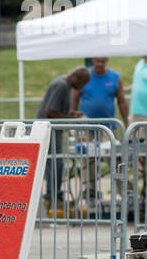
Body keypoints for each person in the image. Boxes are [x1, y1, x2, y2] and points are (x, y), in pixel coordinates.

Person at [35, 67, 90, 211]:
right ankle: (52, 197)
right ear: (77, 78)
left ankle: (54, 196)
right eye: (83, 83)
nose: (82, 87)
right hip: (49, 131)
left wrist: (70, 113)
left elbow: (57, 109)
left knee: (56, 163)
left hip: (54, 131)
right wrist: (70, 118)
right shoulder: (61, 85)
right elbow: (50, 110)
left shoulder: (64, 85)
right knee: (54, 164)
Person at [73, 57, 128, 126]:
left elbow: (122, 102)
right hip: (86, 127)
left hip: (108, 127)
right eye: (97, 61)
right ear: (93, 60)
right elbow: (74, 100)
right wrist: (72, 122)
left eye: (103, 61)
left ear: (107, 60)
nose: (100, 64)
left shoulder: (115, 77)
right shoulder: (83, 76)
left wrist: (126, 123)